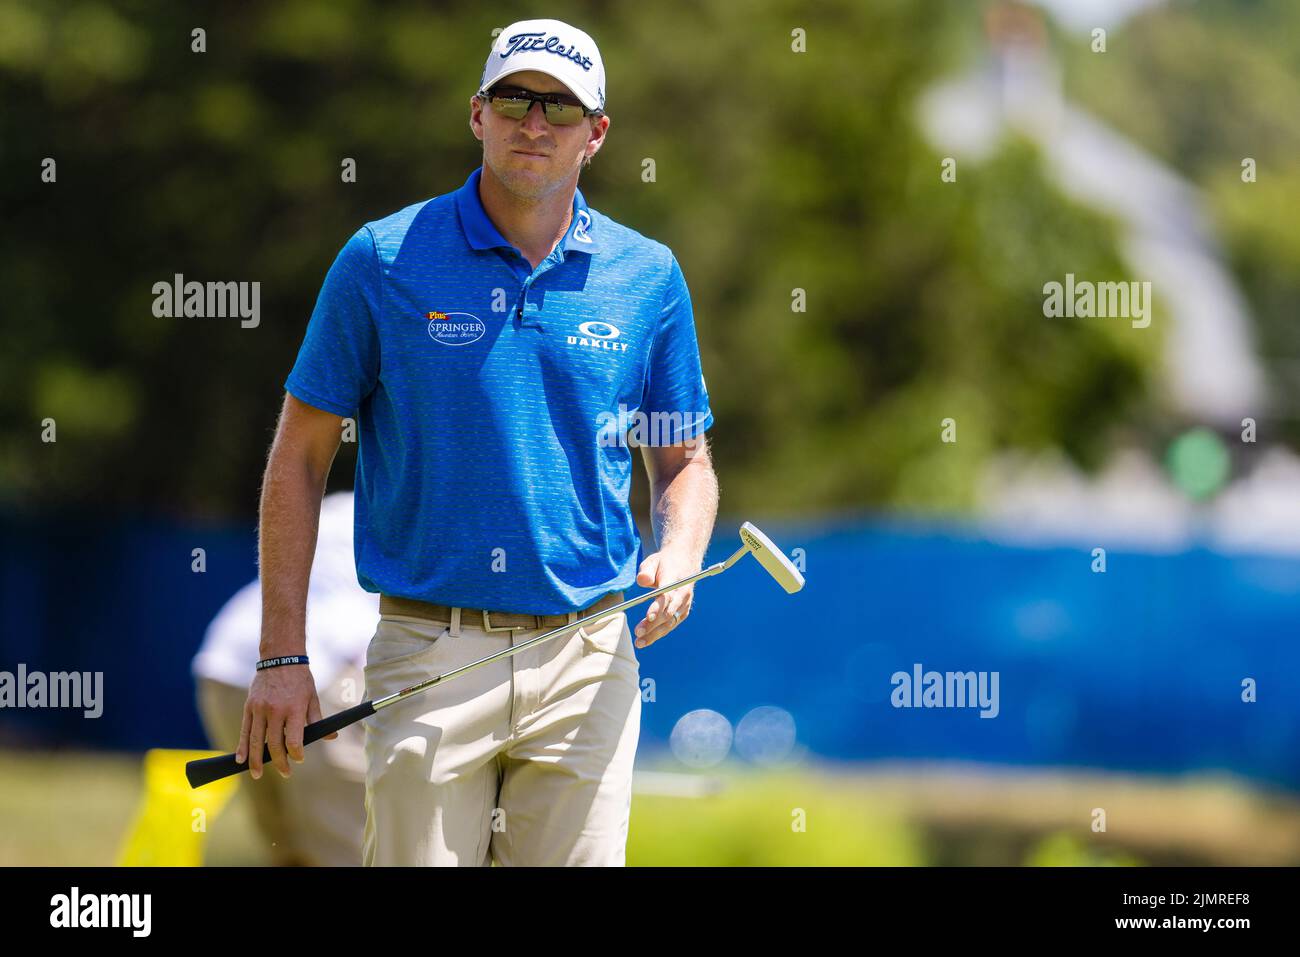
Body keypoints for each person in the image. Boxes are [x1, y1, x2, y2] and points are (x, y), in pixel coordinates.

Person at [238, 17, 718, 866]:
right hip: (428, 648)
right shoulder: (381, 258)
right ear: (477, 114)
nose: (535, 123)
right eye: (514, 99)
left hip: (587, 655)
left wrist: (679, 550)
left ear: (596, 134)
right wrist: (283, 652)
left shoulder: (649, 276)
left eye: (560, 107)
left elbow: (683, 461)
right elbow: (300, 456)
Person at [193, 490, 376, 866]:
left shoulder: (339, 500)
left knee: (287, 847)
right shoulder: (407, 509)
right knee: (349, 851)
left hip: (224, 661)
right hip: (317, 669)